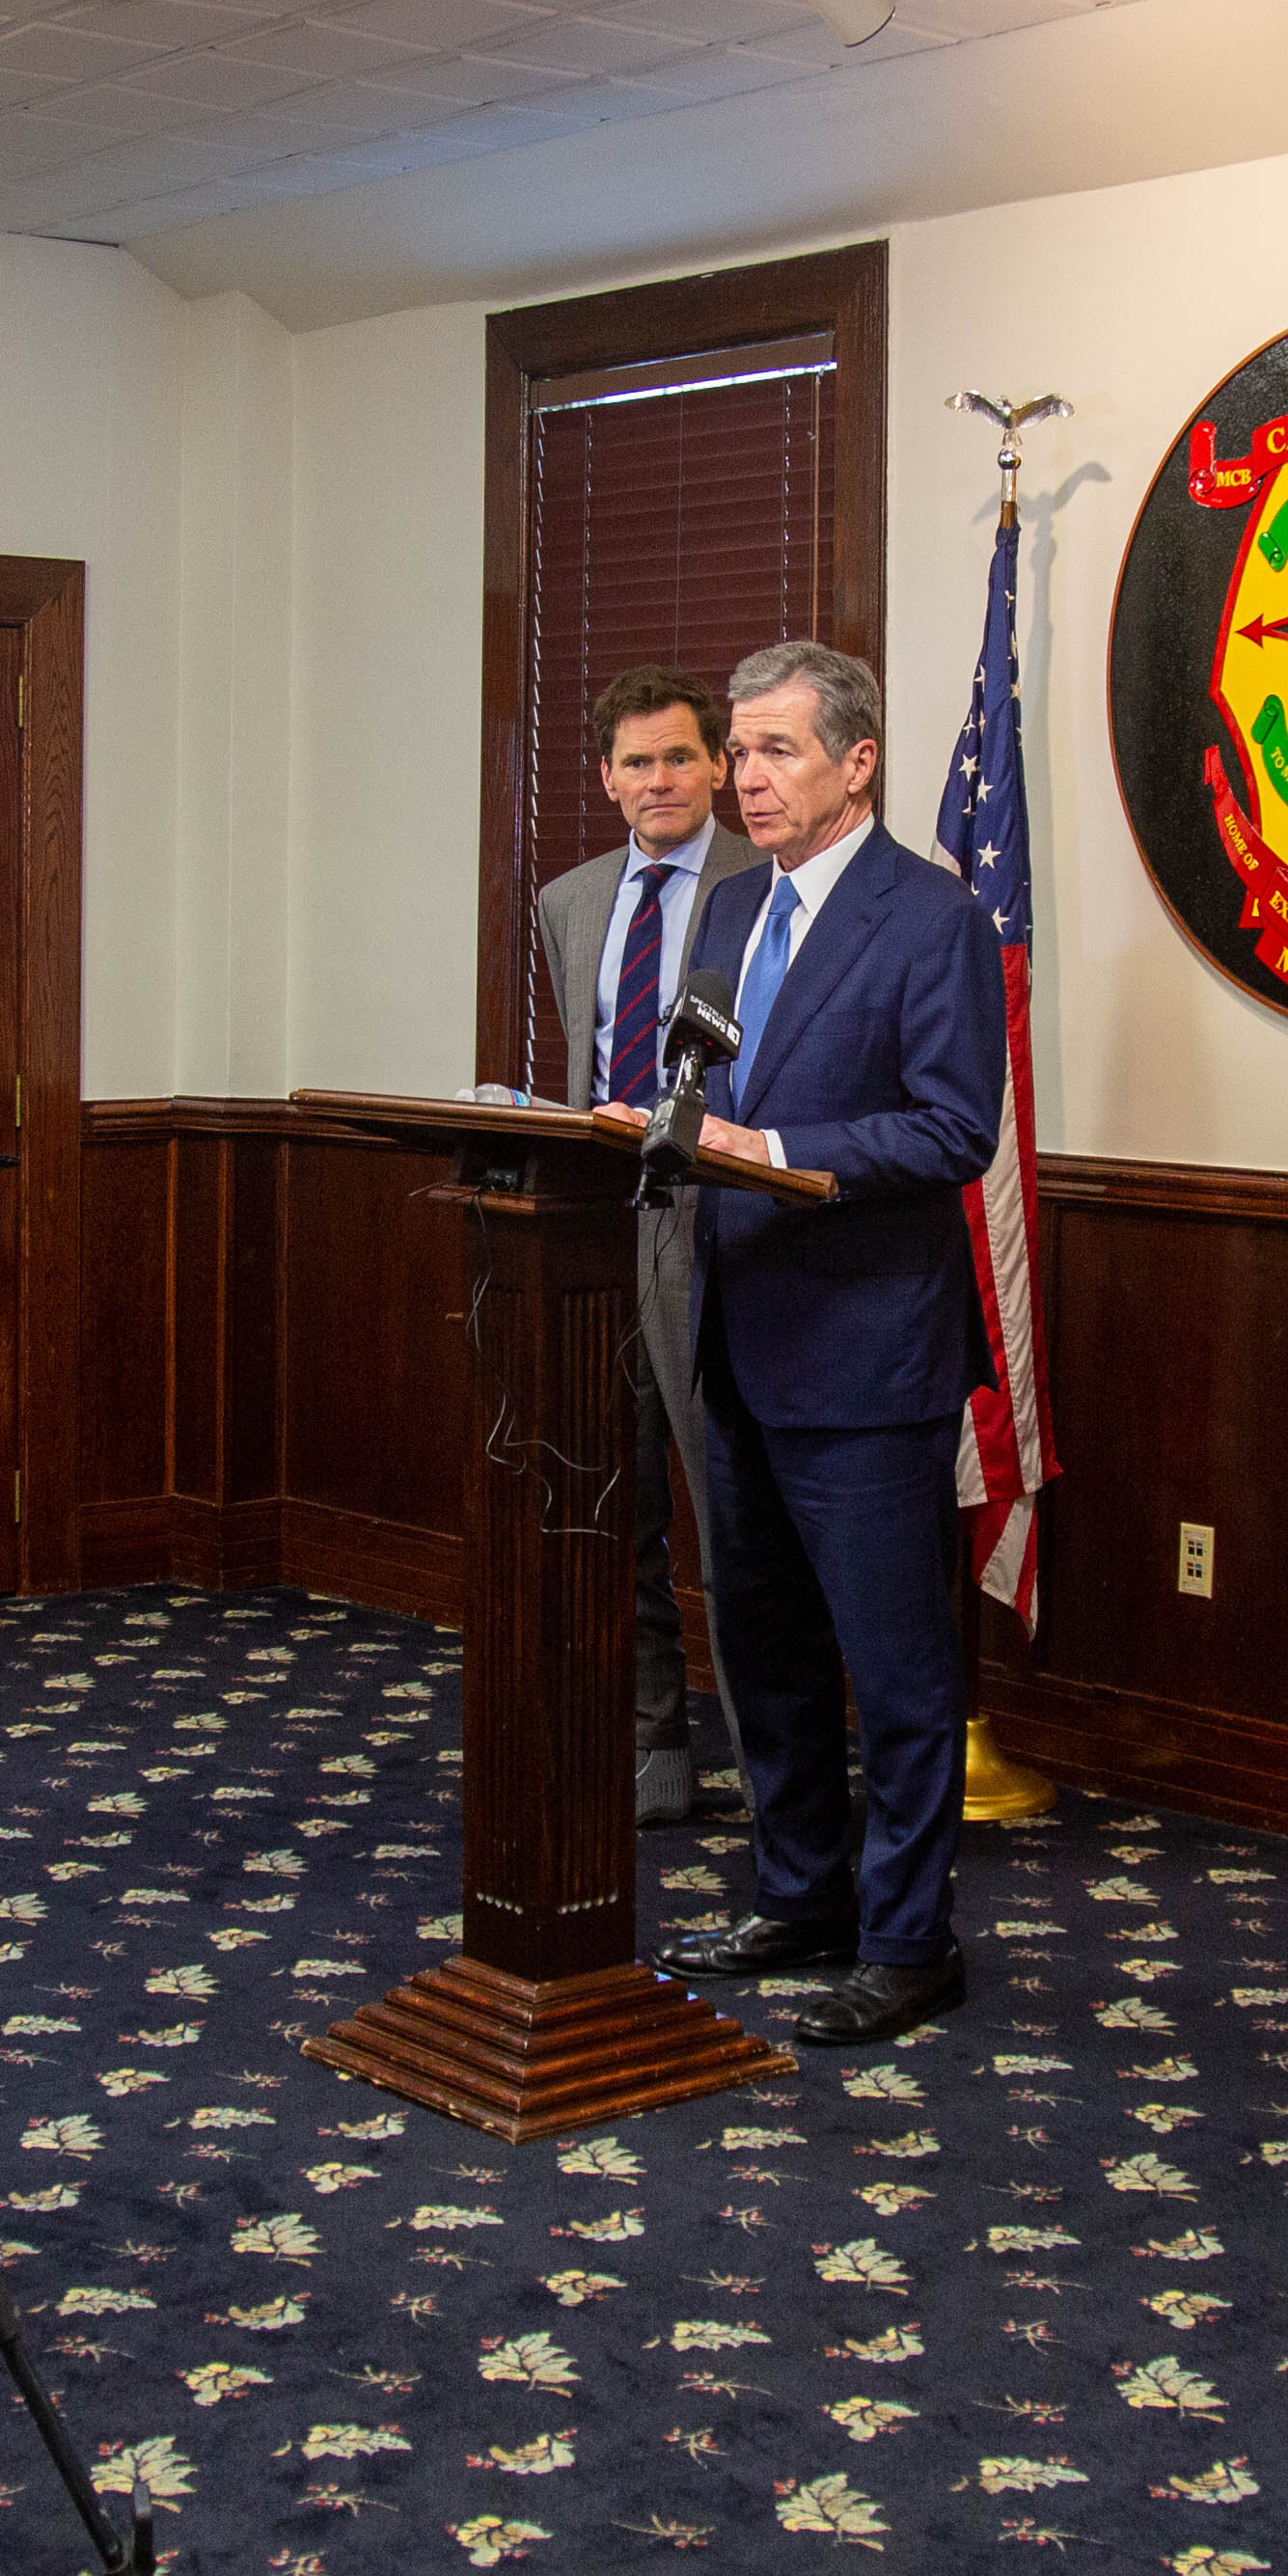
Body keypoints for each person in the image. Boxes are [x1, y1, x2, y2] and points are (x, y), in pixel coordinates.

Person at [636, 638, 1003, 2045]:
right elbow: (700, 1080)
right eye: (739, 750)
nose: (745, 776)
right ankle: (801, 1896)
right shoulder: (733, 912)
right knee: (768, 1653)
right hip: (736, 1334)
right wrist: (658, 1131)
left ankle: (910, 1942)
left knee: (894, 1669)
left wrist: (770, 1144)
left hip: (864, 1355)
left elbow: (951, 1126)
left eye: (777, 750)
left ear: (858, 763)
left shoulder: (930, 919)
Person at [535, 666, 764, 1826]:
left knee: (731, 1512)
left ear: (719, 765)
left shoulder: (763, 885)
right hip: (595, 1229)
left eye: (679, 757)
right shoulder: (571, 900)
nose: (658, 780)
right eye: (635, 761)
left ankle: (780, 1774)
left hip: (721, 1230)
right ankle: (655, 1752)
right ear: (608, 777)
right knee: (613, 1507)